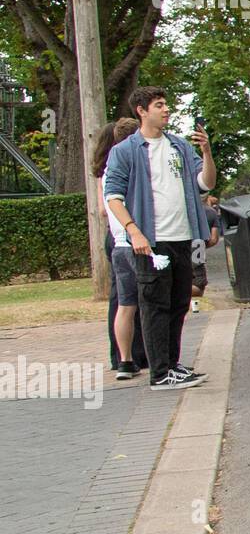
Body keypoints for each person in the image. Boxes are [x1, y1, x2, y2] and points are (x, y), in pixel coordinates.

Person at [103, 87, 216, 391]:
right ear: (141, 111)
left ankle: (172, 365)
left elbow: (205, 183)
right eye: (159, 105)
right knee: (154, 306)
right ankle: (160, 373)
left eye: (166, 104)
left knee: (178, 304)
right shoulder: (125, 151)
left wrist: (206, 153)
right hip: (151, 242)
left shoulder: (179, 146)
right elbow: (113, 197)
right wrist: (134, 231)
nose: (166, 110)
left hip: (182, 237)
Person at [93, 118, 147, 379]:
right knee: (141, 297)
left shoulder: (105, 171)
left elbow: (102, 209)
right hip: (128, 236)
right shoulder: (125, 167)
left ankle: (123, 356)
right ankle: (139, 353)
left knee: (122, 299)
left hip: (116, 237)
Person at [190, 195, 221, 312]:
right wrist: (201, 246)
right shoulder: (211, 212)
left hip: (175, 247)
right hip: (197, 248)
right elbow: (213, 239)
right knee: (198, 285)